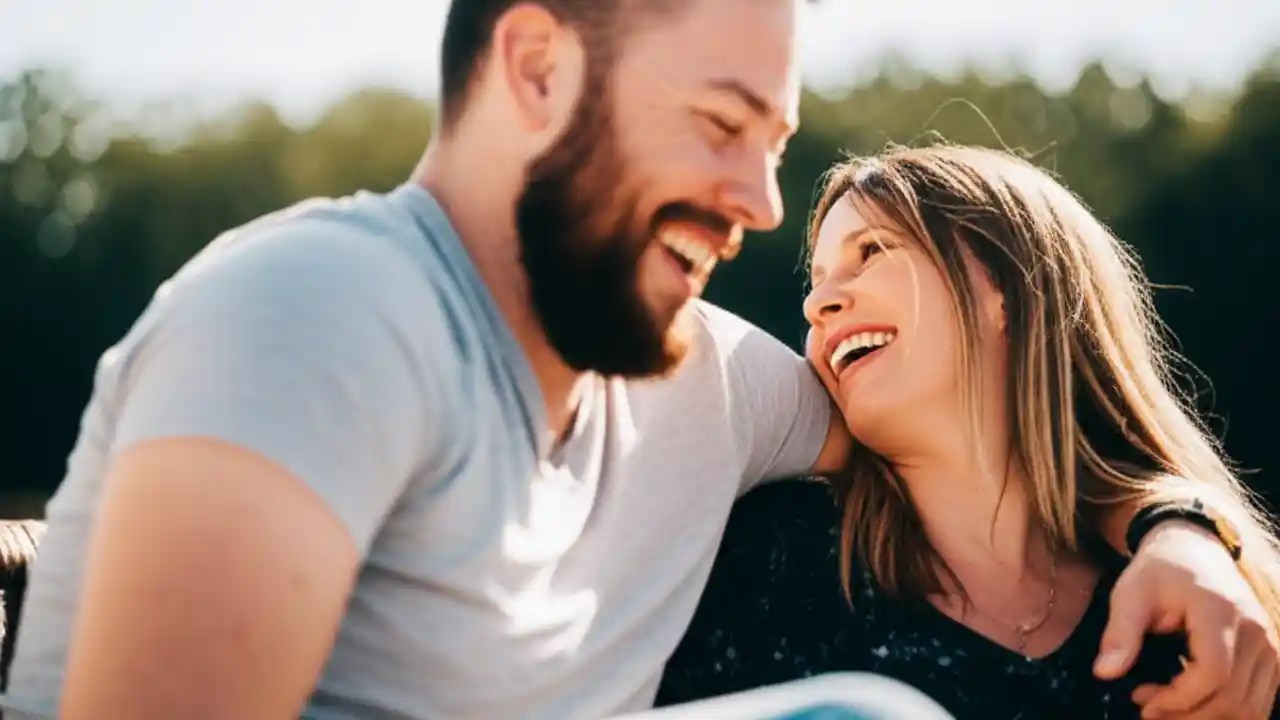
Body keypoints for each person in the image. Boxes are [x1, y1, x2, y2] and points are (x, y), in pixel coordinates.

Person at [0, 2, 1273, 718]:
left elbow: (1013, 444)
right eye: (722, 124)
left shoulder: (707, 377)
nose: (763, 205)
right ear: (539, 68)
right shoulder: (319, 311)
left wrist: (1175, 530)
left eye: (772, 140)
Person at [658, 145, 1280, 718]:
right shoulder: (765, 559)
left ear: (1005, 286)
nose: (816, 305)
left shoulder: (1181, 611)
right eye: (816, 281)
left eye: (872, 251)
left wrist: (1189, 530)